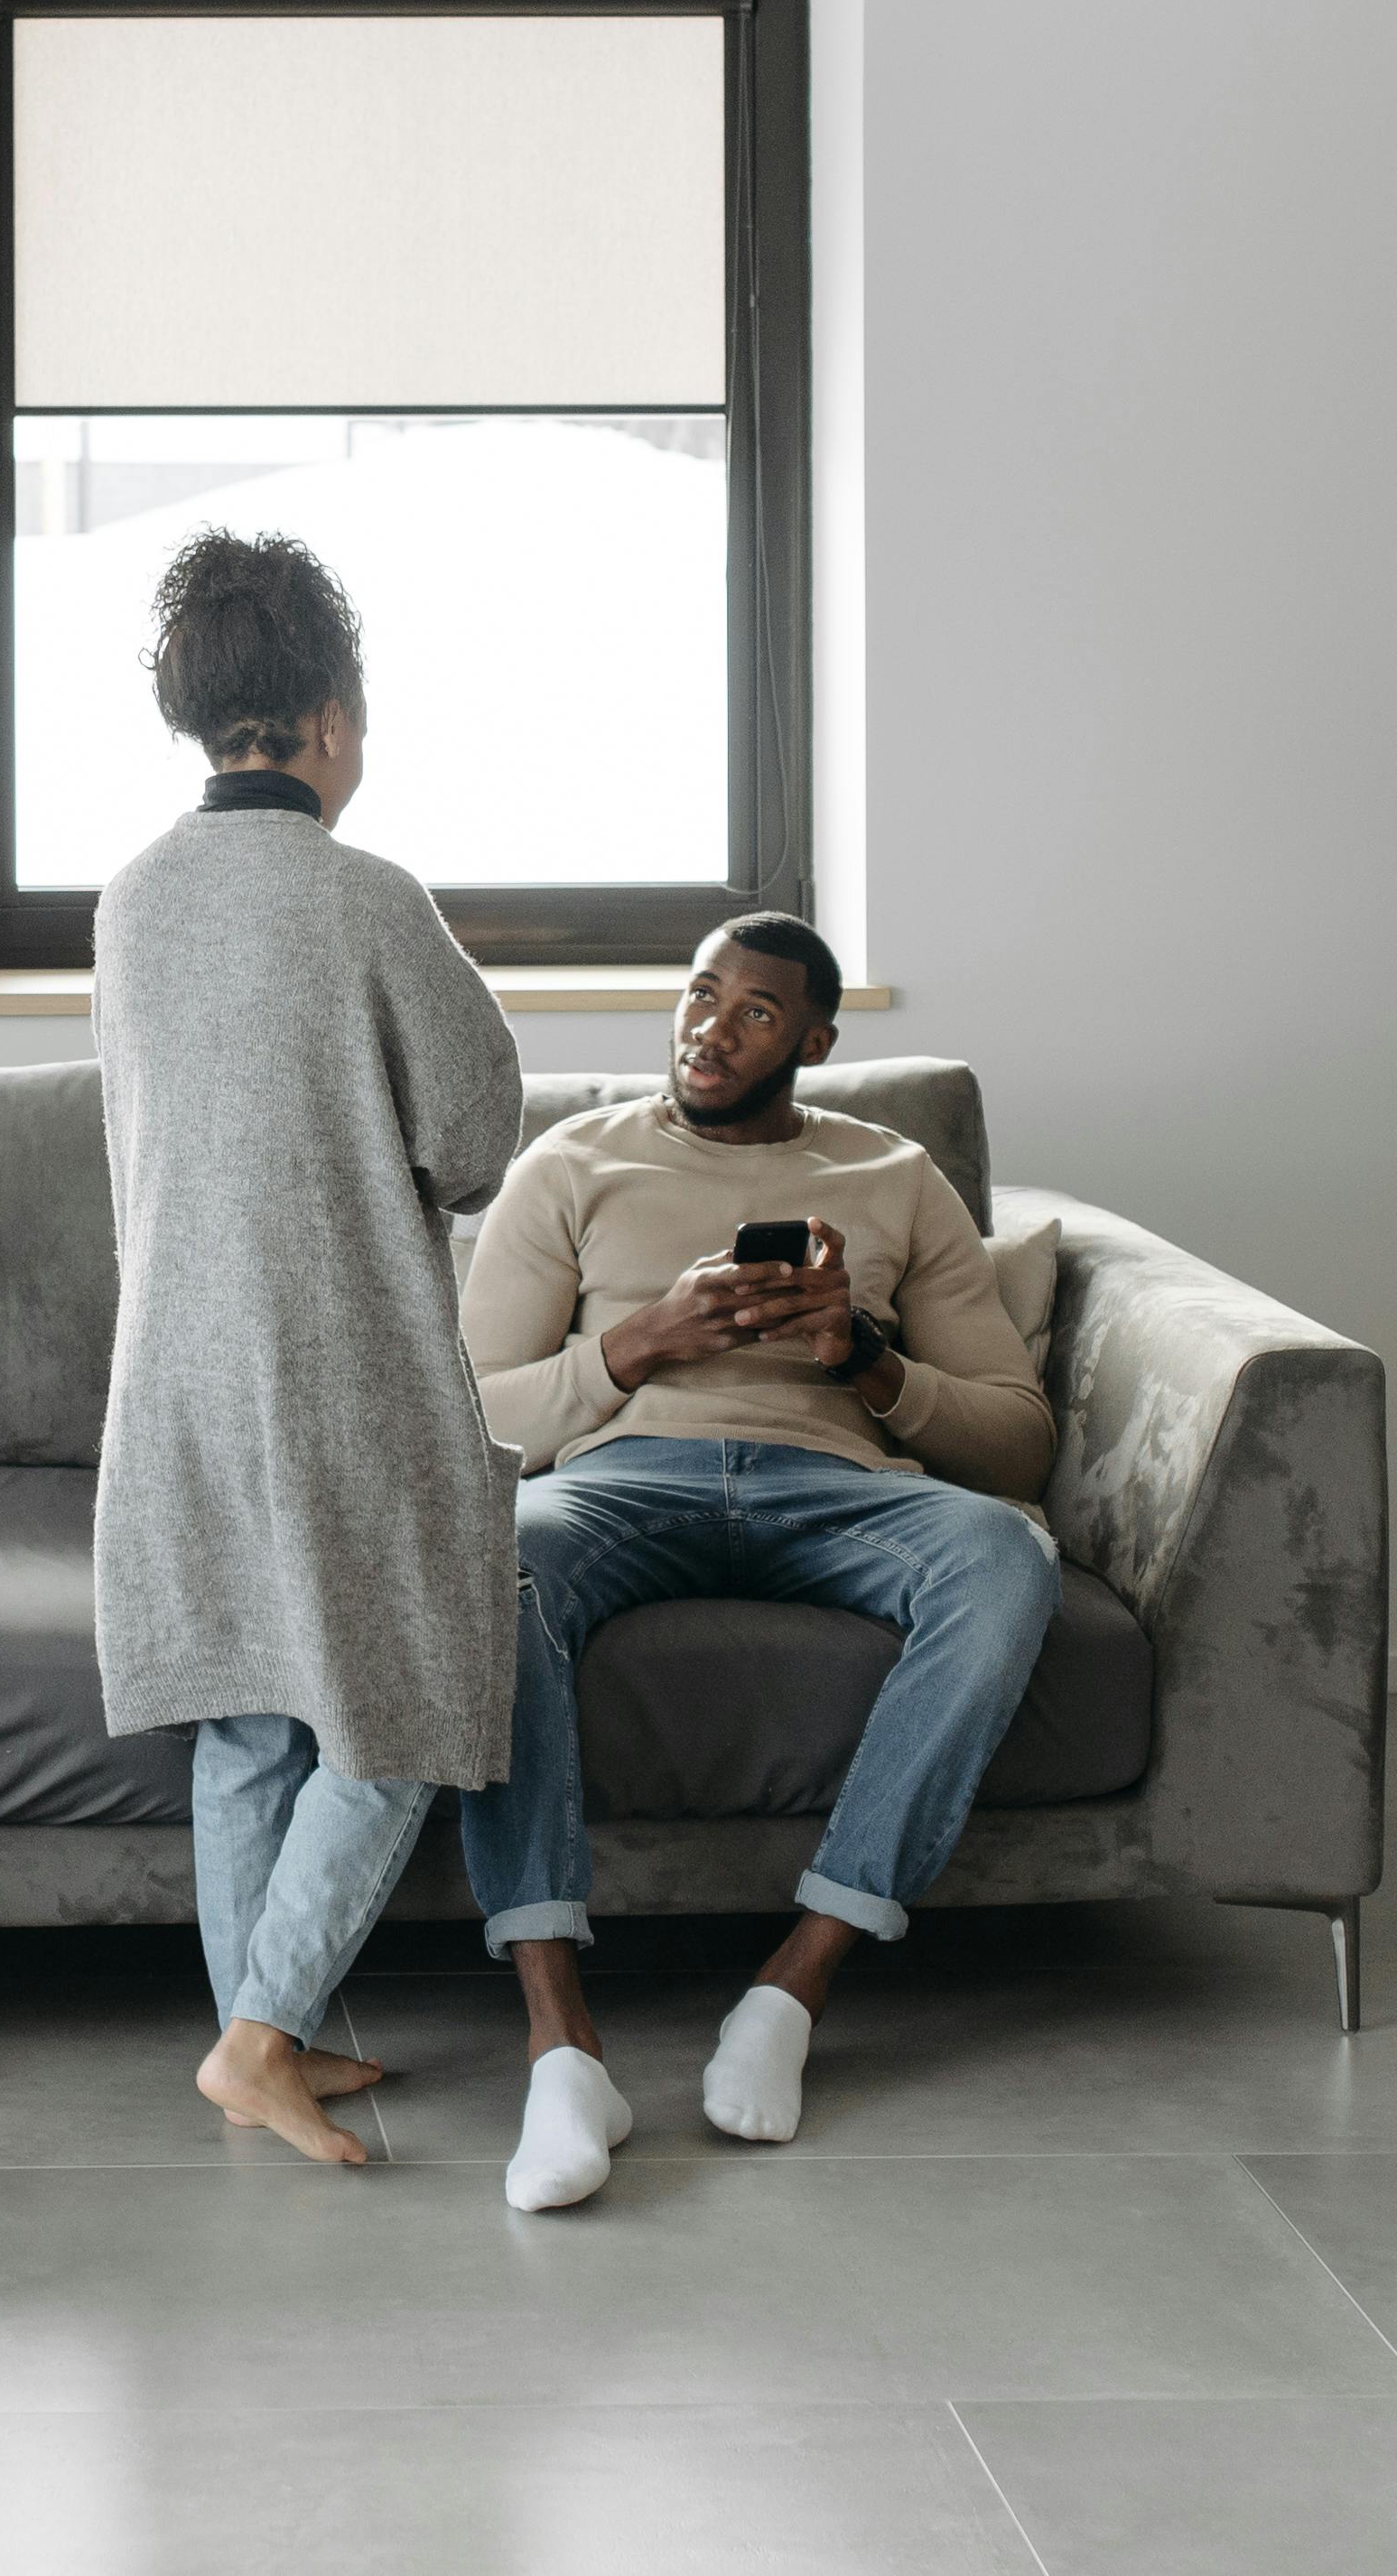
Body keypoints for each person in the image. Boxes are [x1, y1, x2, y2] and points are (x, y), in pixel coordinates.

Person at [454, 911, 1057, 2209]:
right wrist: (638, 1343)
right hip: (620, 1482)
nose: (707, 1028)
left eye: (753, 1011)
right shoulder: (571, 1162)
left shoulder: (894, 1175)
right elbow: (462, 1406)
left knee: (1003, 1556)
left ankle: (796, 1981)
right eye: (696, 994)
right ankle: (561, 2043)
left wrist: (864, 1355)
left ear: (816, 1040)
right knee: (489, 1560)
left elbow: (1015, 1441)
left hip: (839, 1487)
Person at [89, 529, 526, 2165]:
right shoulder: (366, 900)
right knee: (404, 1705)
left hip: (174, 1373)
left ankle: (253, 2038)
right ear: (331, 716)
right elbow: (477, 1136)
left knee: (248, 1714)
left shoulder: (127, 905)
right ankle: (261, 2037)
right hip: (339, 1369)